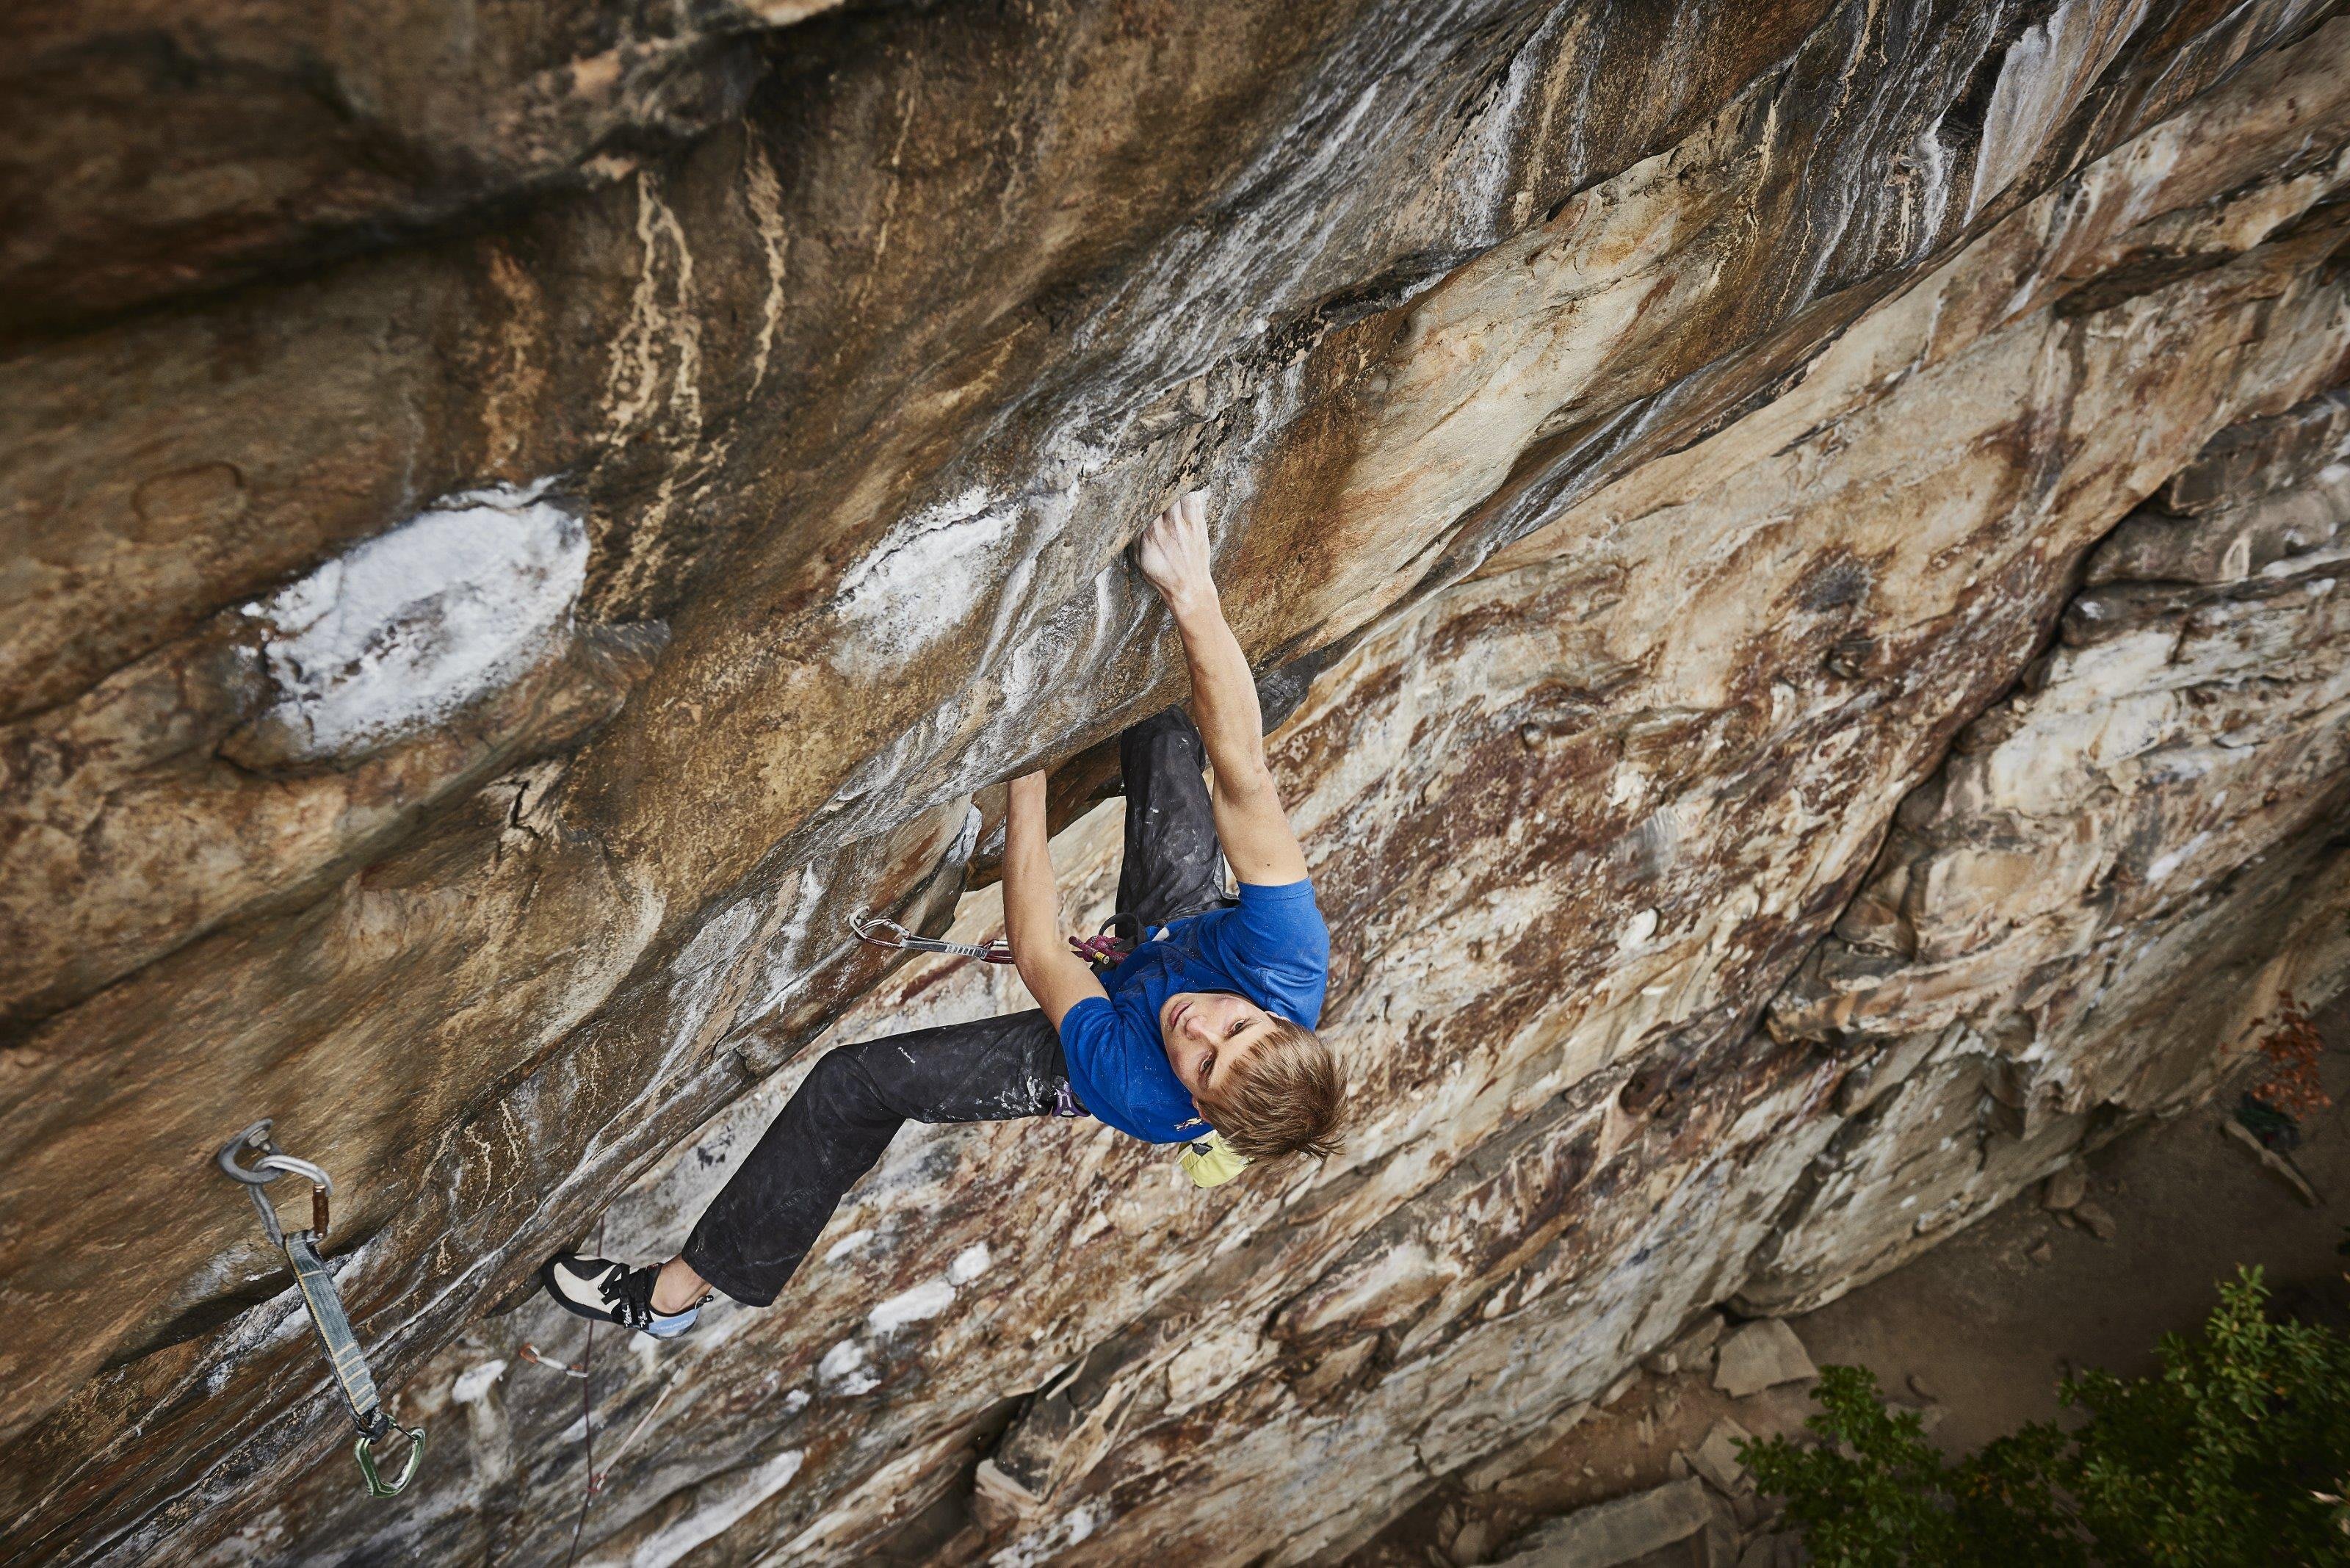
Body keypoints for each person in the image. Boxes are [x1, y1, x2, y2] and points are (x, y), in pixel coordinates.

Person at [540, 491, 1345, 1337]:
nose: (1199, 1028)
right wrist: (1193, 594)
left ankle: (672, 1294)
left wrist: (1025, 771)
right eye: (1238, 1027)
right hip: (1190, 931)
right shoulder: (1284, 957)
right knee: (1165, 730)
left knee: (855, 1083)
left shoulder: (1142, 1089)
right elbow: (1245, 776)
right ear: (1271, 1010)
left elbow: (1042, 954)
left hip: (1100, 1033)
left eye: (1207, 1064)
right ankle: (1177, 707)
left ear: (1196, 1102)